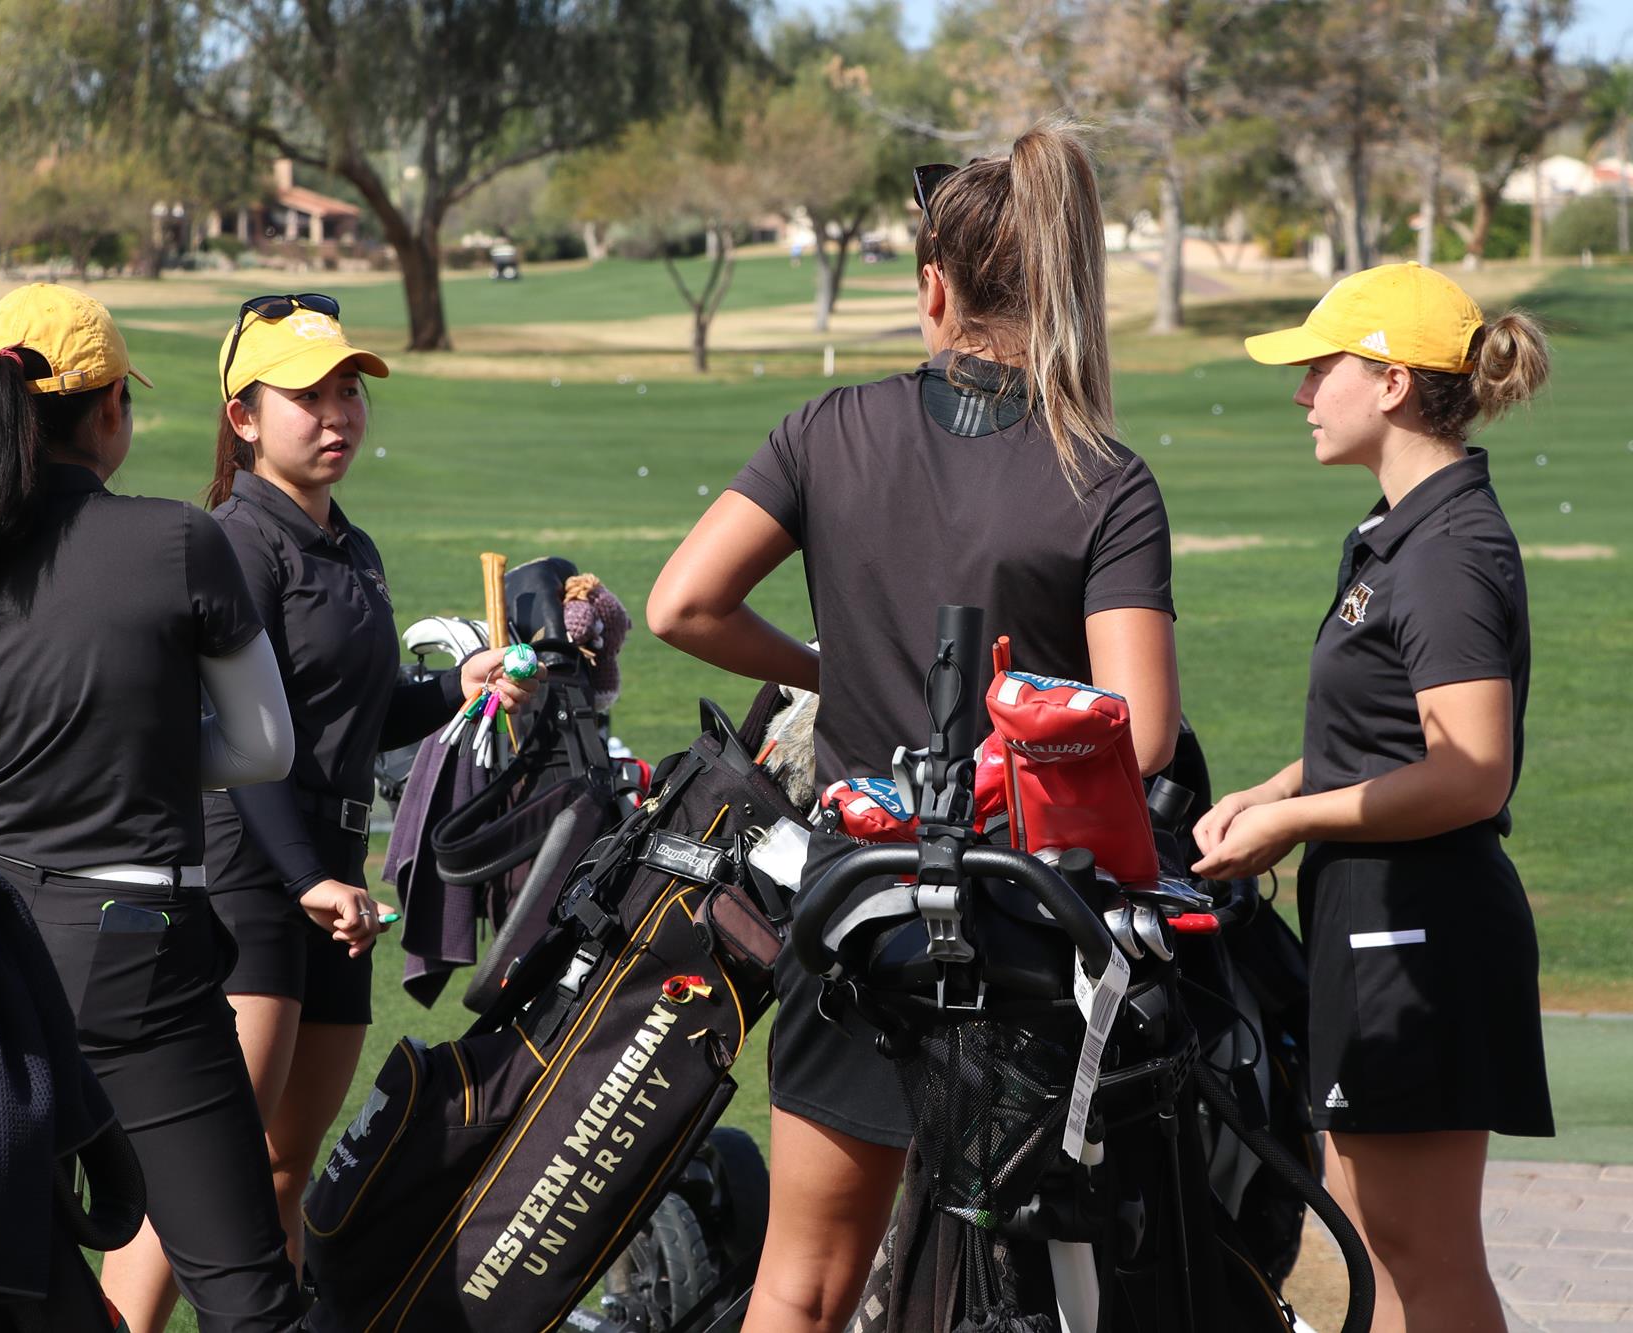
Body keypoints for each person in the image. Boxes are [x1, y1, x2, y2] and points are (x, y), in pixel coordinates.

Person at [645, 121, 1181, 1333]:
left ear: (933, 288)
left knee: (804, 1285)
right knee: (1042, 1283)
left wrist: (821, 672)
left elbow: (681, 603)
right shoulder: (1101, 472)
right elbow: (1139, 734)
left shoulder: (828, 430)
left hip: (859, 909)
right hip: (1028, 919)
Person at [0, 283, 335, 1333]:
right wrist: (145, 764)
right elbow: (264, 744)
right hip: (145, 957)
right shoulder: (180, 542)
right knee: (245, 1289)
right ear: (108, 412)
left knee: (24, 1282)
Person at [100, 292, 538, 1327]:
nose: (337, 413)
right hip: (252, 874)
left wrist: (460, 686)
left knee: (284, 1164)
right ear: (243, 417)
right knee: (212, 1166)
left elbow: (362, 709)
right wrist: (304, 878)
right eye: (308, 396)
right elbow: (238, 744)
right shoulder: (233, 545)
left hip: (330, 870)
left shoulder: (349, 545)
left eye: (348, 390)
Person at [1194, 261, 1554, 1333]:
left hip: (1423, 933)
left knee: (1423, 1261)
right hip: (1376, 924)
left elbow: (1469, 769)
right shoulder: (1398, 531)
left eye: (1319, 370)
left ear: (1389, 383)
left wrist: (1288, 823)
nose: (1302, 394)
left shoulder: (1443, 550)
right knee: (1369, 1255)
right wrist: (1275, 786)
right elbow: (1391, 732)